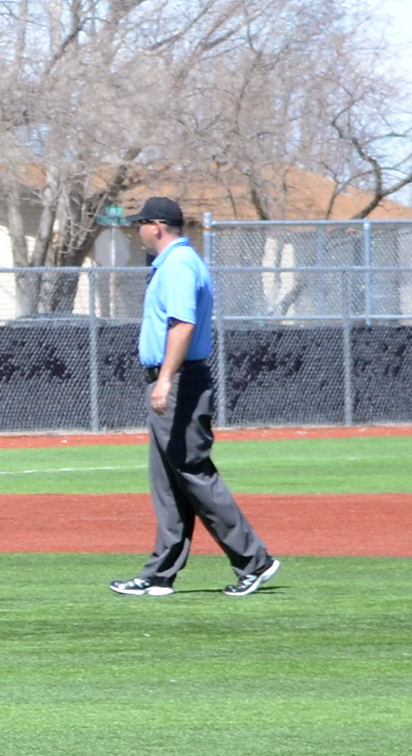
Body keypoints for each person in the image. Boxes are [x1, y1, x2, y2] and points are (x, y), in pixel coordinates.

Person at [109, 196, 279, 599]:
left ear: (157, 226)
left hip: (181, 380)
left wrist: (165, 379)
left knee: (192, 473)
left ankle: (255, 561)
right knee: (168, 481)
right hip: (175, 378)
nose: (138, 232)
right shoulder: (174, 264)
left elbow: (182, 324)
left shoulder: (180, 265)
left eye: (140, 225)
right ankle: (160, 573)